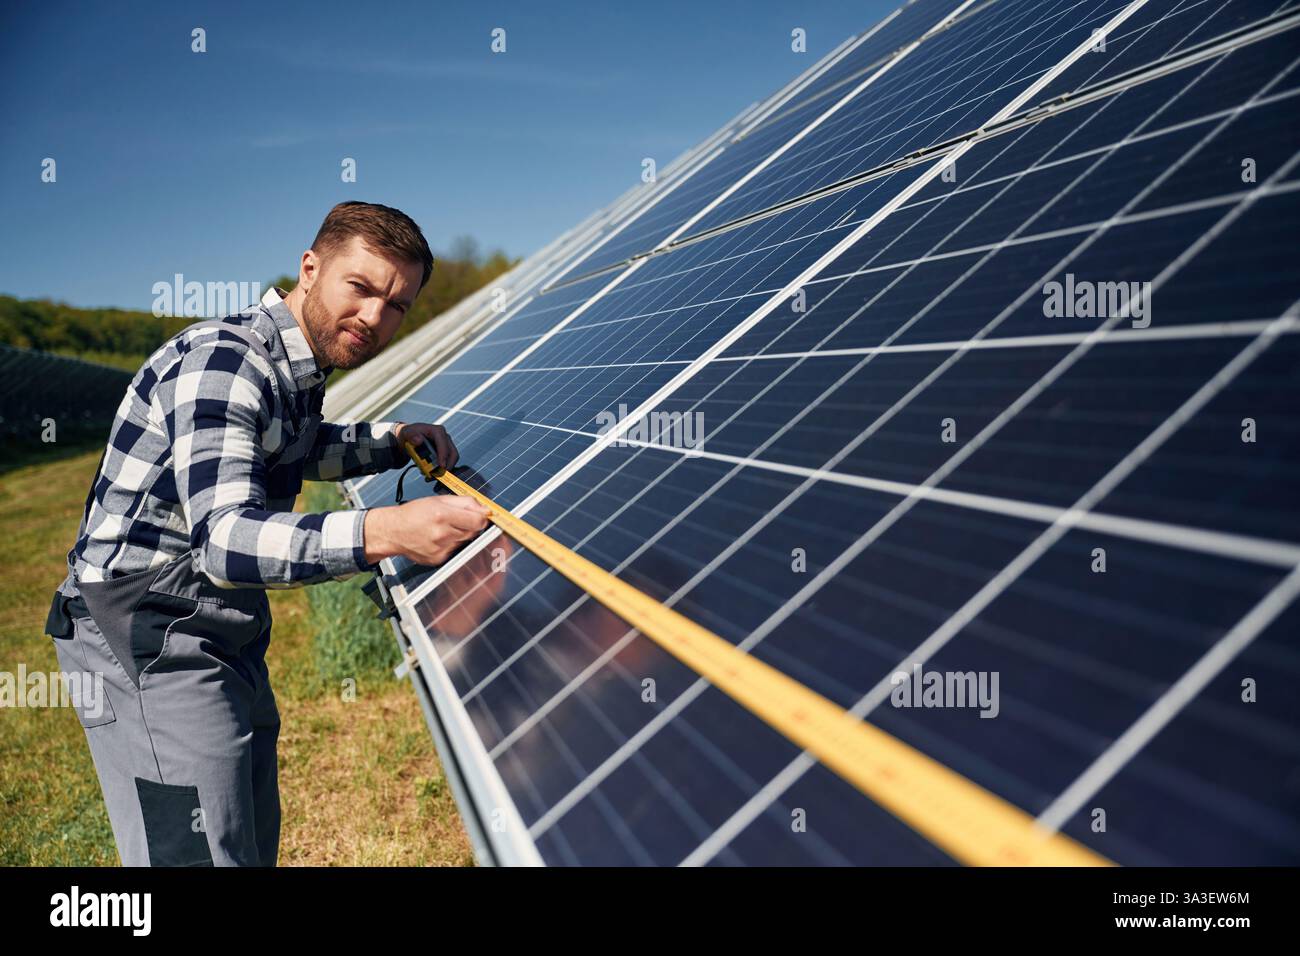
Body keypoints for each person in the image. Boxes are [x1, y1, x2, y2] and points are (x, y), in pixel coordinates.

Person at [43, 200, 490, 866]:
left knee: (246, 832)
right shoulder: (227, 363)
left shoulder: (295, 369)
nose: (374, 317)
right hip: (145, 637)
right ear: (310, 269)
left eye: (396, 304)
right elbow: (225, 541)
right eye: (361, 288)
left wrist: (390, 443)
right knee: (195, 850)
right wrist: (384, 530)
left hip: (219, 626)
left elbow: (291, 447)